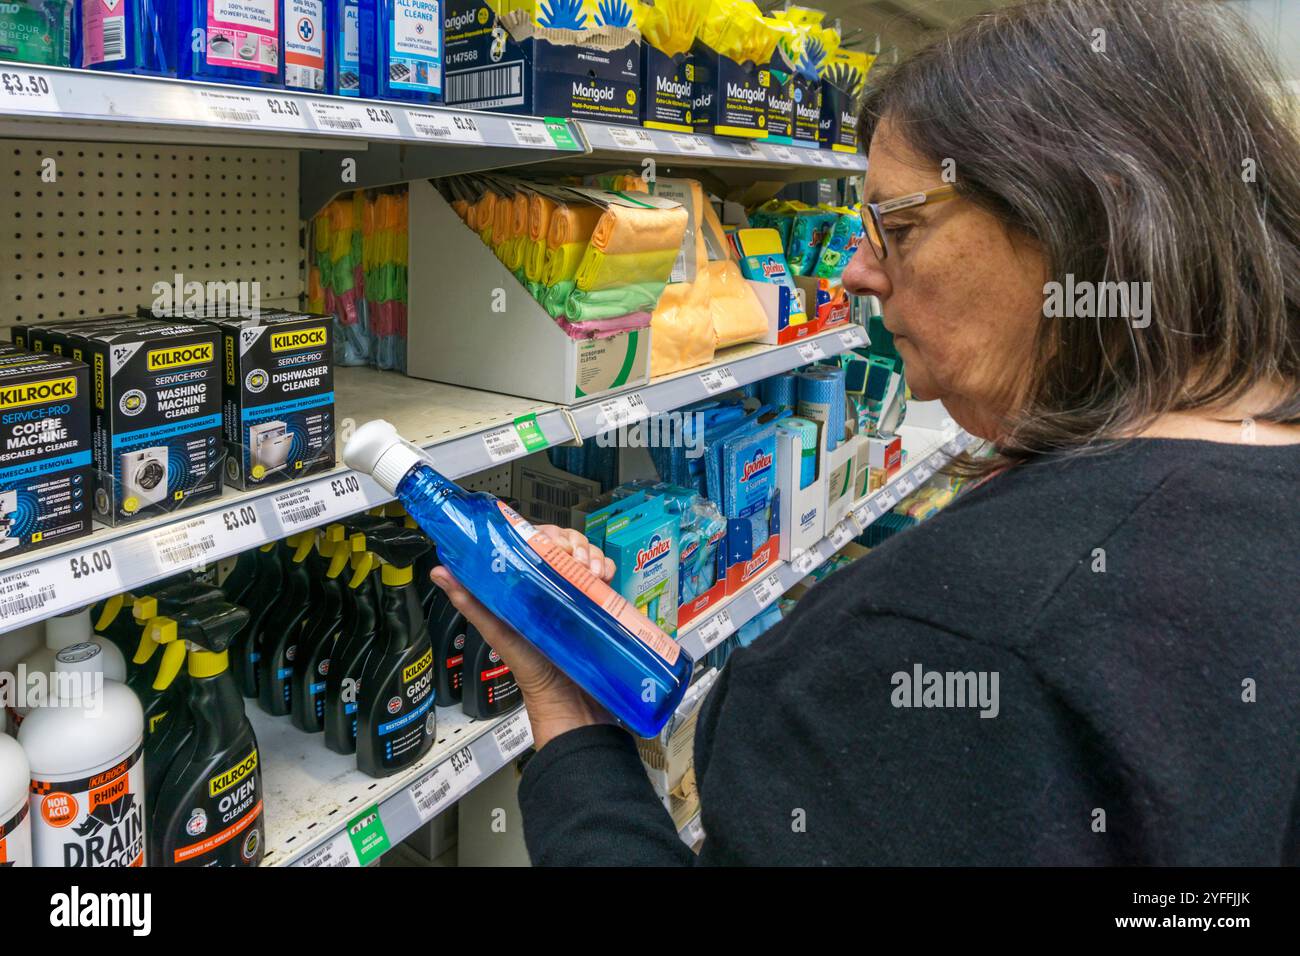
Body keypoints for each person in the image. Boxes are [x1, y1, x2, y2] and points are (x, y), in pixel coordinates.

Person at [431, 0, 1300, 865]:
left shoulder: (948, 640)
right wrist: (578, 702)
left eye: (901, 226)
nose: (856, 272)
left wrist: (578, 743)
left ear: (1088, 217)